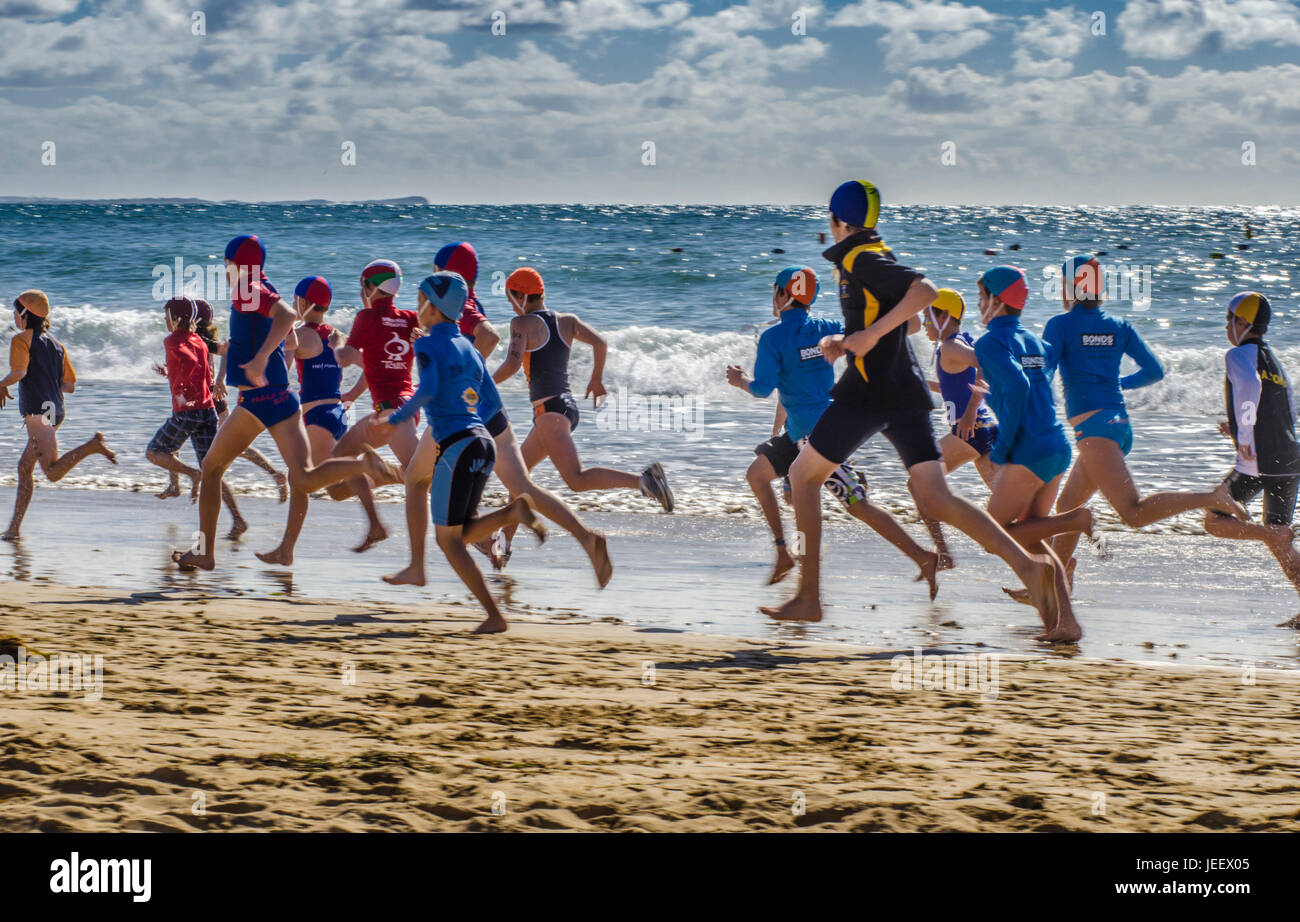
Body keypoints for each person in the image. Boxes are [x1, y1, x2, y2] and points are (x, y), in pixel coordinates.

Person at [761, 180, 1069, 638]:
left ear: (838, 222)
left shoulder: (861, 257)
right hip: (903, 391)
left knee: (804, 477)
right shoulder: (870, 253)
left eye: (829, 220)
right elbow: (902, 318)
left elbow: (924, 291)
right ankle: (1028, 569)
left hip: (868, 394)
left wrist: (864, 338)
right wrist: (846, 340)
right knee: (937, 497)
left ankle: (809, 598)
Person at [172, 235, 400, 571]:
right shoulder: (261, 286)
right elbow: (288, 335)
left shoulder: (248, 287)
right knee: (305, 479)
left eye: (227, 264)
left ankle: (205, 552)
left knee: (212, 469)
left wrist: (261, 357)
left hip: (256, 401)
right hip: (283, 398)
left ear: (239, 264)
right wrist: (234, 350)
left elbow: (286, 315)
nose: (224, 270)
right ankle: (363, 466)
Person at [726, 266, 940, 595]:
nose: (773, 298)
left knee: (857, 505)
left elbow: (762, 389)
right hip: (804, 432)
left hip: (820, 439)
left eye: (775, 291)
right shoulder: (827, 327)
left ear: (784, 295)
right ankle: (784, 552)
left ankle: (922, 556)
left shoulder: (772, 338)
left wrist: (739, 380)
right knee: (758, 475)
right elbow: (864, 341)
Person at [1045, 255, 1246, 575]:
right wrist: (1117, 384)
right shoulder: (1118, 326)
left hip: (1096, 432)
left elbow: (1044, 370)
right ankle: (1055, 580)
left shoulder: (1060, 325)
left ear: (1072, 287)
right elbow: (1154, 371)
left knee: (1133, 513)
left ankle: (1213, 497)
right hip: (1117, 426)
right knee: (1067, 507)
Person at [371, 272, 549, 634]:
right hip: (483, 440)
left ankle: (494, 614)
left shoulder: (426, 346)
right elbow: (490, 398)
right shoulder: (468, 345)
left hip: (455, 444)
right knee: (459, 533)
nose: (415, 306)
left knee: (450, 541)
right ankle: (508, 516)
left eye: (420, 300)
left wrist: (399, 417)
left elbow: (431, 388)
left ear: (434, 308)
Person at [973, 266, 1095, 641]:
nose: (979, 305)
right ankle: (1066, 623)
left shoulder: (989, 344)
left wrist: (1004, 447)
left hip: (1028, 449)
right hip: (1056, 445)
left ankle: (1073, 520)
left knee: (989, 531)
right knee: (1029, 536)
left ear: (996, 300)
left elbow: (1019, 387)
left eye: (981, 297)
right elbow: (1027, 388)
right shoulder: (1035, 342)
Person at [492, 266, 674, 512]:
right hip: (564, 409)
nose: (512, 307)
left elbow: (512, 364)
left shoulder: (521, 323)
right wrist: (596, 379)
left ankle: (645, 480)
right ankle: (503, 547)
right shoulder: (567, 321)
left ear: (521, 296)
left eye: (511, 300)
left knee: (576, 479)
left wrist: (485, 384)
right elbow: (600, 342)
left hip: (550, 413)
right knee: (518, 478)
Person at [1204, 291, 1300, 627]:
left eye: (1229, 319)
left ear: (1243, 323)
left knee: (1213, 519)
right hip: (1290, 461)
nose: (1227, 326)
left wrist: (1244, 436)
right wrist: (1239, 426)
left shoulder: (1238, 355)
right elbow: (1288, 409)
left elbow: (1248, 388)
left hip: (1257, 461)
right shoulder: (1273, 360)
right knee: (1282, 541)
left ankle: (1265, 533)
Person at [0, 289, 117, 540]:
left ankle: (91, 446)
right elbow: (69, 386)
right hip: (55, 410)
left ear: (24, 314)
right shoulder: (57, 345)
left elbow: (19, 372)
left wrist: (1, 385)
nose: (13, 316)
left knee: (51, 472)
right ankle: (13, 529)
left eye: (15, 311)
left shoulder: (21, 340)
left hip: (38, 413)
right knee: (24, 468)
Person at [157, 297, 288, 504]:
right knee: (183, 443)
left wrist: (219, 380)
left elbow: (225, 352)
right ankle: (175, 484)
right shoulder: (196, 337)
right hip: (203, 400)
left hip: (207, 400)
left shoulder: (195, 338)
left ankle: (274, 473)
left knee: (233, 447)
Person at [256, 276, 350, 565]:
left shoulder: (299, 335)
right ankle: (285, 550)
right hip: (338, 415)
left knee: (314, 484)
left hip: (317, 417)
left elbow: (280, 373)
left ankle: (392, 475)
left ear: (305, 303)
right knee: (317, 485)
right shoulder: (338, 335)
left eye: (295, 299)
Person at [329, 258, 422, 551]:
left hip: (393, 415)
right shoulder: (410, 319)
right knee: (335, 483)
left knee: (426, 478)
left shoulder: (366, 318)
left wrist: (337, 342)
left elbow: (345, 358)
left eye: (363, 286)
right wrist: (354, 395)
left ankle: (480, 538)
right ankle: (385, 486)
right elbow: (377, 365)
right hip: (395, 412)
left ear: (370, 287)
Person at [146, 296, 248, 538]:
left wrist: (181, 376)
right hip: (207, 411)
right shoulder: (199, 340)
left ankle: (192, 474)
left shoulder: (172, 341)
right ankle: (238, 520)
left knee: (154, 452)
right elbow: (197, 360)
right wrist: (171, 371)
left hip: (187, 413)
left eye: (167, 316)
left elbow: (187, 359)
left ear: (176, 319)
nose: (165, 320)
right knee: (214, 470)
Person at [921, 288, 998, 486]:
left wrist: (971, 411)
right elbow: (954, 388)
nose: (924, 325)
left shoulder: (951, 346)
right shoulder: (957, 343)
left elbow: (985, 363)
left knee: (919, 481)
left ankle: (941, 518)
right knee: (1003, 501)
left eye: (927, 319)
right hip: (982, 427)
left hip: (970, 428)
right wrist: (920, 383)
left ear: (944, 316)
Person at [434, 242, 500, 360]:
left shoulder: (458, 306)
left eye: (435, 271)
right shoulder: (473, 303)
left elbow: (490, 336)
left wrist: (467, 372)